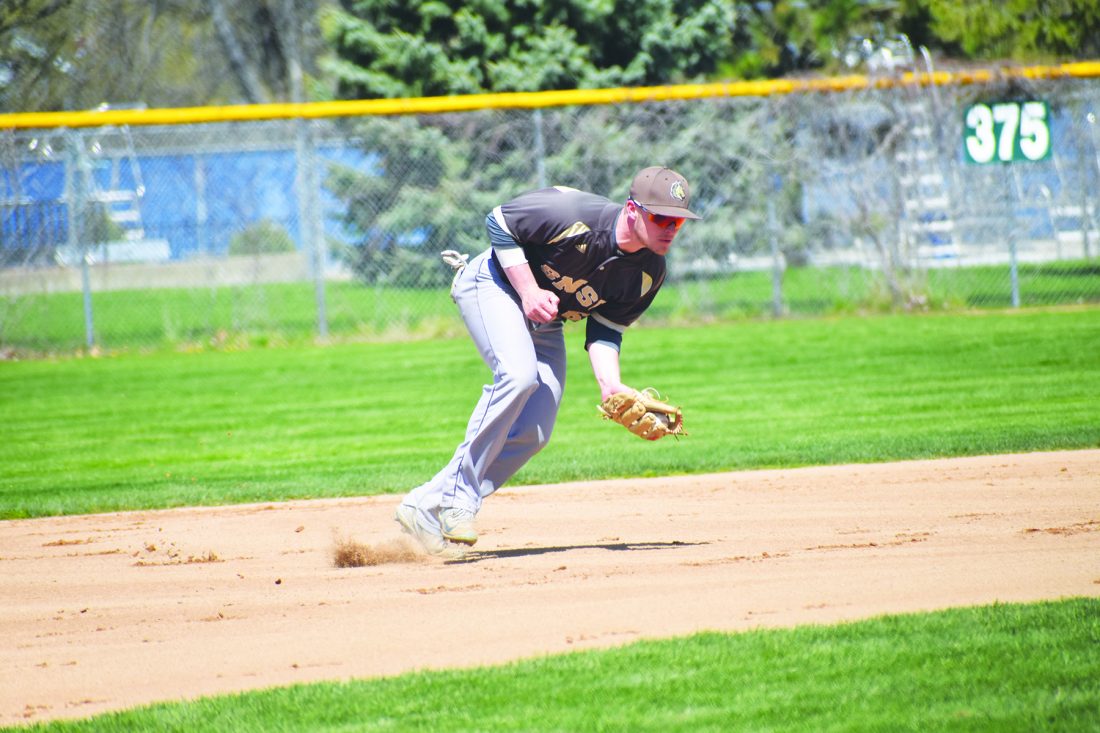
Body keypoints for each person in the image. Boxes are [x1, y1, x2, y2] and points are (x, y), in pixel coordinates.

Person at [395, 166, 701, 556]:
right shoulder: (573, 213)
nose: (670, 228)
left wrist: (610, 386)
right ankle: (459, 500)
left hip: (546, 319)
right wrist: (528, 291)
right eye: (660, 218)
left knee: (535, 430)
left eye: (678, 221)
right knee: (518, 376)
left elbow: (606, 330)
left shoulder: (648, 272)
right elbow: (499, 221)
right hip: (495, 284)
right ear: (632, 210)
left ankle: (424, 507)